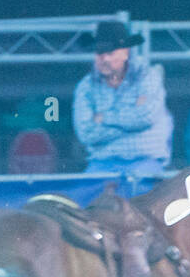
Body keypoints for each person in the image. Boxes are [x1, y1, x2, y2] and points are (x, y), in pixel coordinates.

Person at [72, 20, 173, 177]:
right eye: (99, 53)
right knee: (89, 197)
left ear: (125, 52)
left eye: (110, 53)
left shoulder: (148, 75)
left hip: (145, 162)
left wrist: (103, 118)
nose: (104, 59)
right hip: (102, 164)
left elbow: (145, 117)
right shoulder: (86, 86)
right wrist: (133, 125)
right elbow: (86, 133)